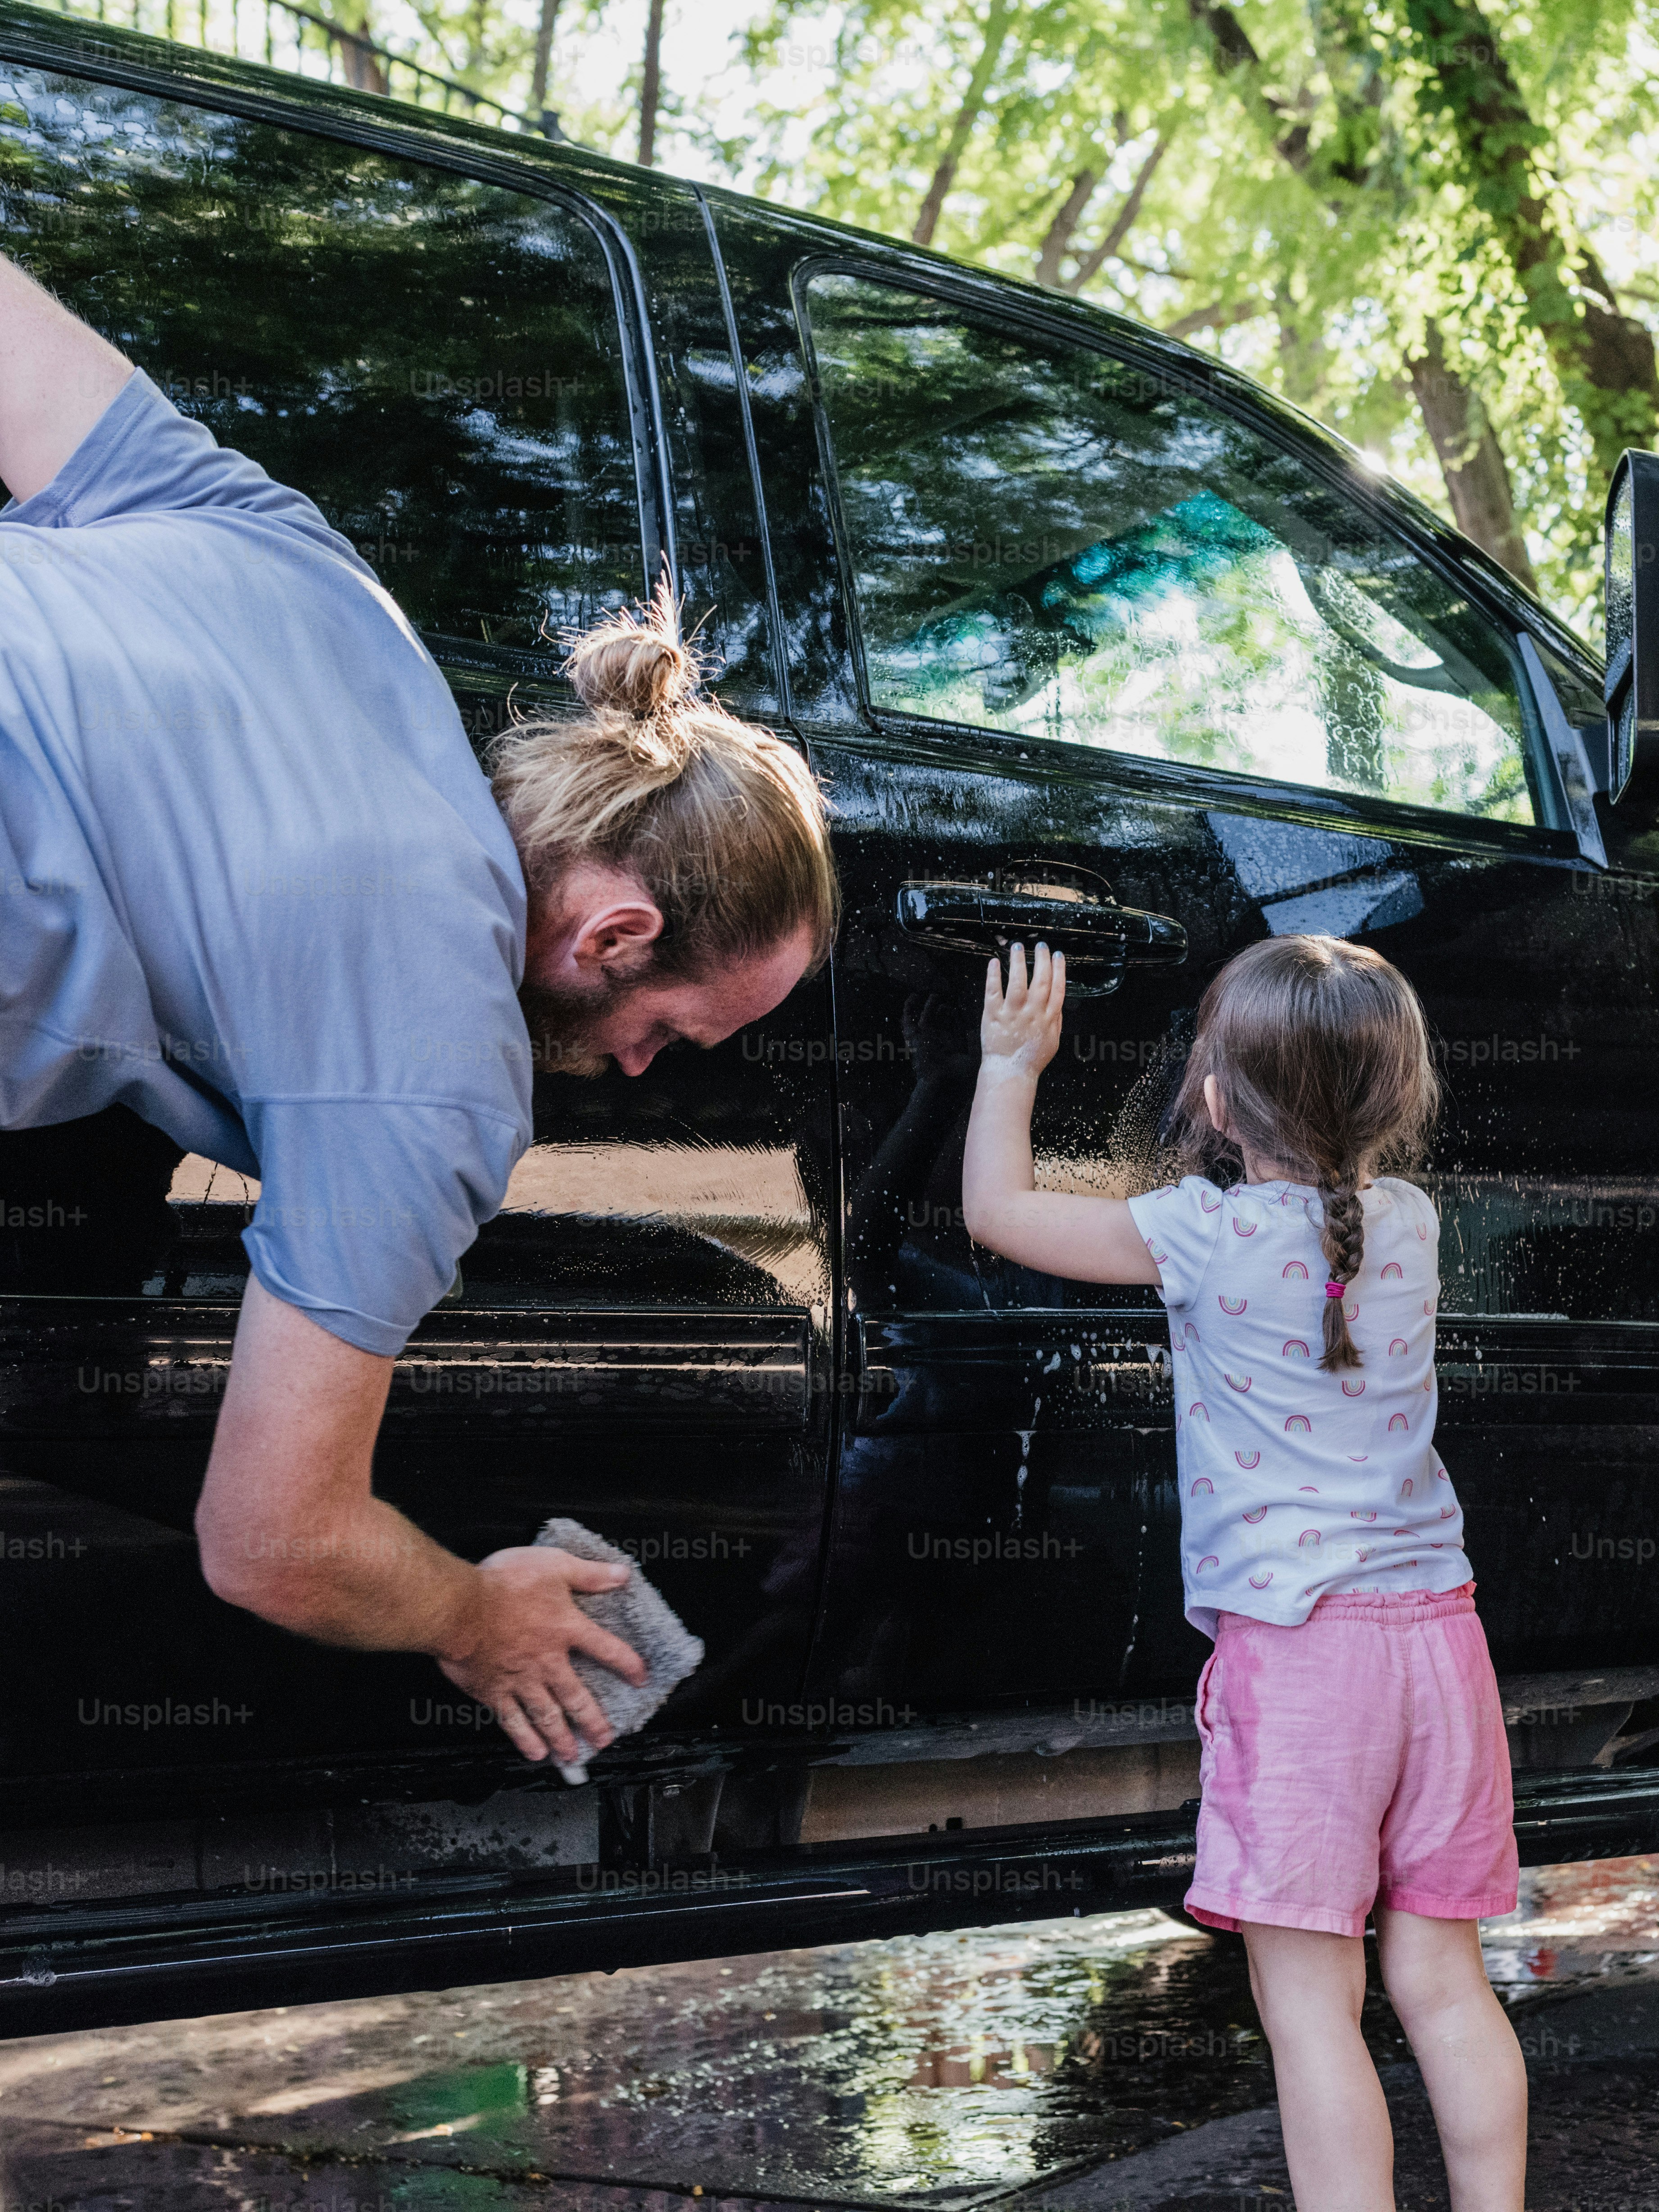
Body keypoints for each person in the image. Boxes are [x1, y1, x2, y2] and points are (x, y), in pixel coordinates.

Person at [0, 253, 837, 1771]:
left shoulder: (307, 565)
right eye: (669, 1036)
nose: (640, 1078)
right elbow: (271, 1539)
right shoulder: (439, 1071)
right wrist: (472, 1610)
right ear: (616, 932)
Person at [962, 935, 1524, 2211]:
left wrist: (1010, 1066)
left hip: (1303, 1653)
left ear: (1215, 1097)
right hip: (1441, 1641)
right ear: (1400, 1097)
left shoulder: (1199, 1235)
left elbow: (996, 1217)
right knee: (1443, 1983)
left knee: (1309, 2008)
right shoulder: (1412, 1225)